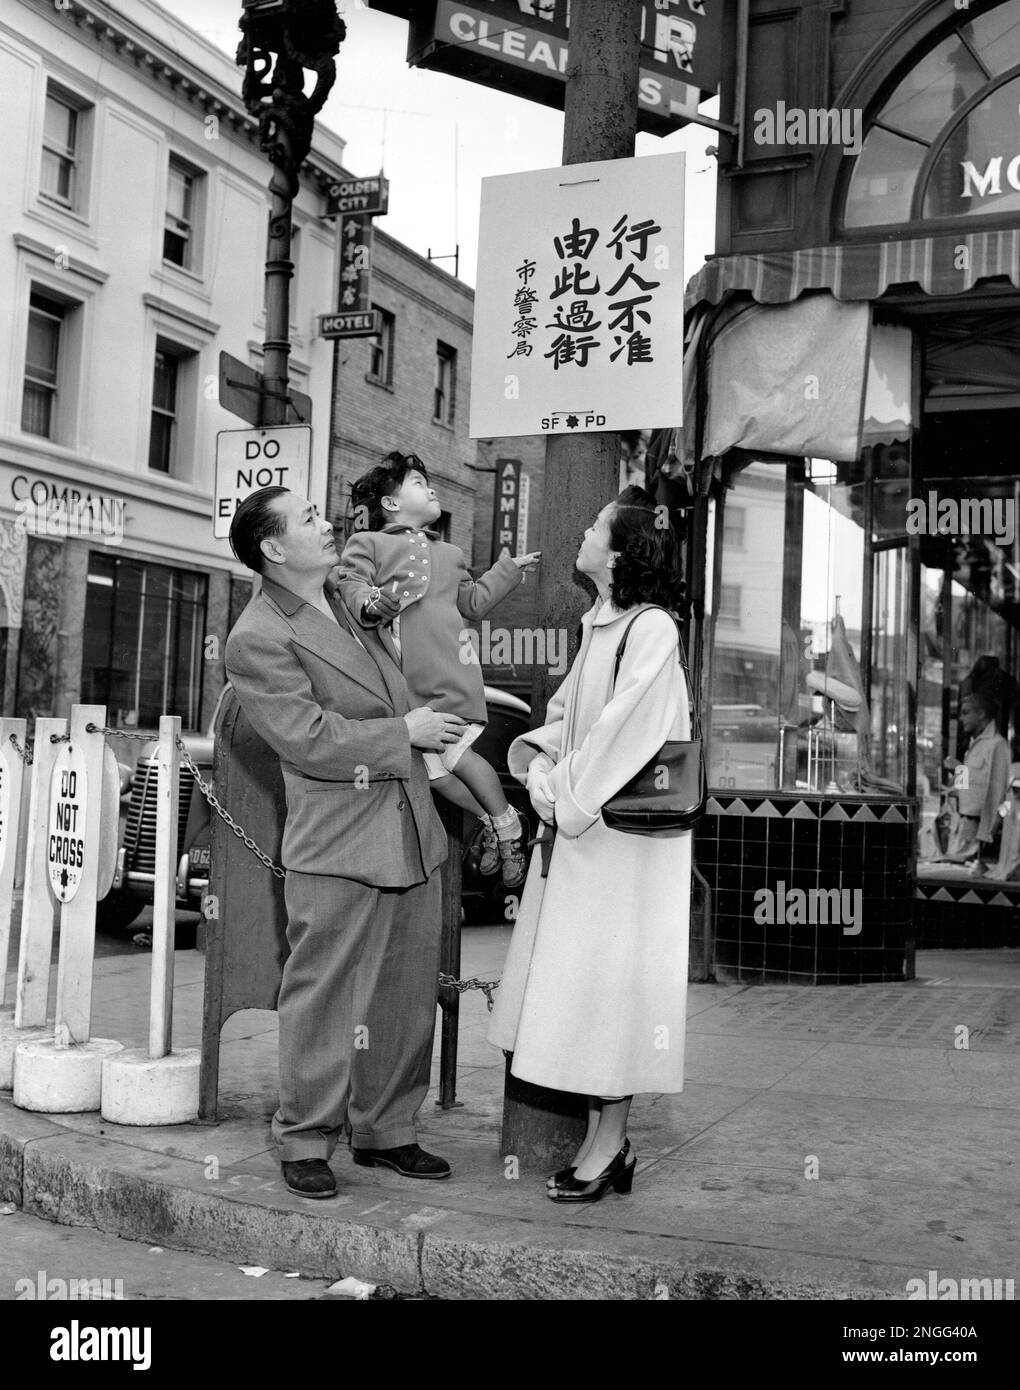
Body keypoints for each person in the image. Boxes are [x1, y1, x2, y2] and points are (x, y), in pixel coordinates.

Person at [224, 486, 464, 1199]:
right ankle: (303, 1137)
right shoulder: (257, 635)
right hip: (337, 839)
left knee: (405, 990)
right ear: (272, 549)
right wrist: (404, 735)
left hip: (408, 827)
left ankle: (386, 1129)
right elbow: (306, 740)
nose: (326, 522)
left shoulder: (345, 598)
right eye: (306, 519)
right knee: (323, 995)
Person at [486, 486, 692, 1204]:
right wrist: (540, 763)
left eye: (594, 523)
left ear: (619, 548)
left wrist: (559, 789)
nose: (581, 530)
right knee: (590, 991)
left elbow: (624, 735)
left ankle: (607, 1147)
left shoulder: (651, 628)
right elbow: (568, 715)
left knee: (614, 993)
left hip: (623, 848)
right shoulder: (601, 621)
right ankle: (606, 1145)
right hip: (584, 839)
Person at [333, 452, 540, 887]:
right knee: (438, 776)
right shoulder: (367, 544)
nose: (431, 488)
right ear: (390, 504)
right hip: (406, 689)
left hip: (447, 676)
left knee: (457, 758)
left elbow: (473, 603)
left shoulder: (451, 553)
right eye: (417, 482)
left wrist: (506, 571)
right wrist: (370, 601)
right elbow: (351, 583)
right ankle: (496, 819)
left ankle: (507, 826)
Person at [942, 690, 1011, 866]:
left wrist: (988, 833)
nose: (961, 719)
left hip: (979, 833)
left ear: (981, 714)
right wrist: (958, 770)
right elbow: (968, 787)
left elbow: (997, 792)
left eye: (966, 713)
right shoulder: (976, 744)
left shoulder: (997, 745)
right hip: (962, 829)